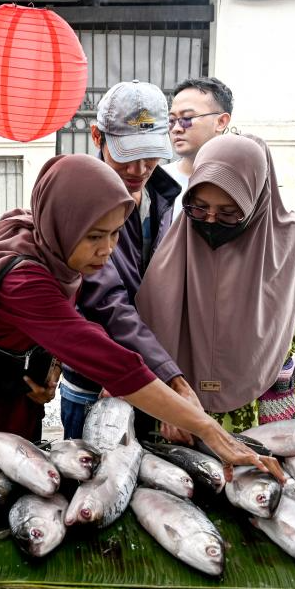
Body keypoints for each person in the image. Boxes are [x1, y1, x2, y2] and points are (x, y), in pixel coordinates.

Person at [0, 154, 283, 482]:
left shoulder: (45, 238)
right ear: (63, 221)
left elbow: (102, 317)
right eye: (95, 236)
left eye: (115, 233)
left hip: (13, 396)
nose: (107, 249)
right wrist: (209, 430)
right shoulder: (25, 278)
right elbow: (110, 361)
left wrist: (54, 367)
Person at [137, 134, 295, 433]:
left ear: (256, 200)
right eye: (199, 207)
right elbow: (149, 322)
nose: (210, 220)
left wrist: (261, 354)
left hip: (263, 396)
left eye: (229, 213)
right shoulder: (176, 240)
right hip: (180, 405)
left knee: (263, 474)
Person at [59, 79, 199, 443]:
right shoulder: (78, 203)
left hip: (148, 372)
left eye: (150, 153)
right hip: (96, 383)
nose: (139, 169)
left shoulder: (162, 198)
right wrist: (173, 381)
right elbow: (108, 303)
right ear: (96, 136)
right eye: (126, 153)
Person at [164, 77, 234, 220]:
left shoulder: (238, 184)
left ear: (221, 122)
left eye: (187, 118)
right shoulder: (158, 180)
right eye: (171, 120)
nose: (176, 128)